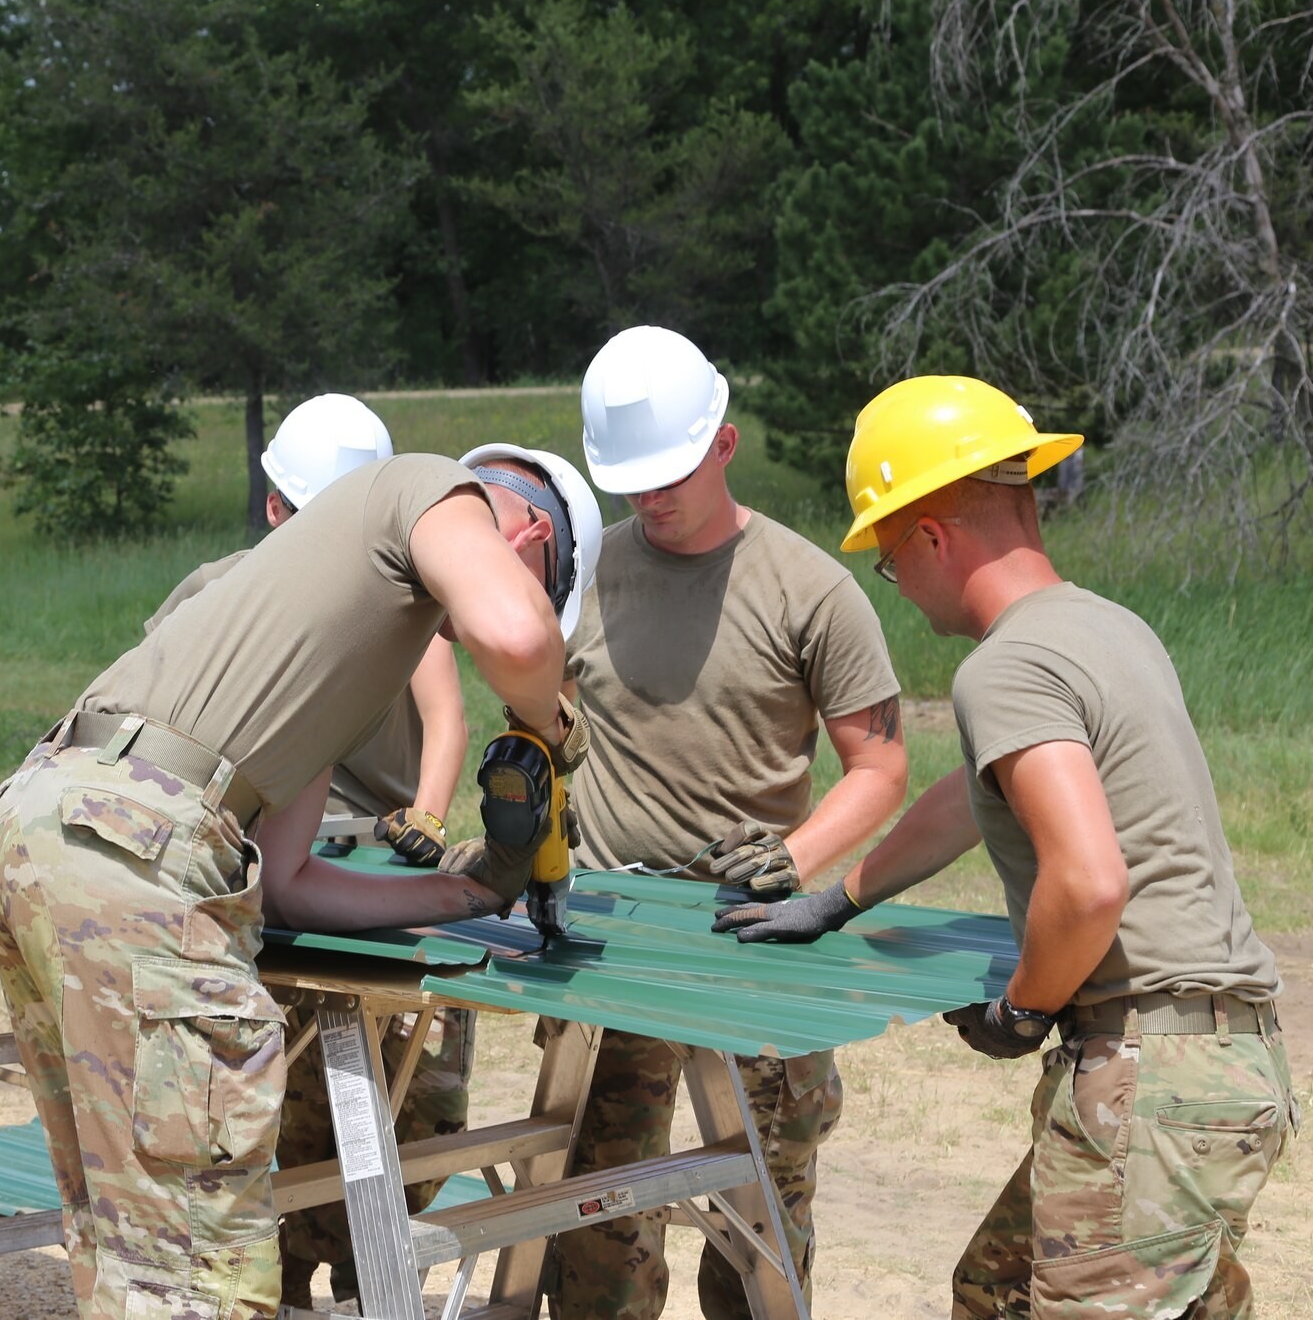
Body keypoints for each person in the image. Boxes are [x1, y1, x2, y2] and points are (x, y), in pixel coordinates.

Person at [0, 442, 603, 1317]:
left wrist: (470, 893)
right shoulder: (435, 487)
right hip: (141, 848)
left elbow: (288, 883)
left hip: (46, 824)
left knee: (131, 1245)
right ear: (530, 534)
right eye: (540, 585)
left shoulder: (337, 625)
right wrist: (552, 732)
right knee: (206, 1275)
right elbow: (520, 635)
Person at [716, 374, 1296, 1318]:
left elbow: (1089, 880)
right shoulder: (1105, 626)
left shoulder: (1007, 665)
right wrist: (839, 896)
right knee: (995, 1290)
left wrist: (1022, 1011)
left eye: (890, 563)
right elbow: (970, 796)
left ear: (931, 537)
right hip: (1220, 1062)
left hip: (1149, 1070)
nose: (900, 588)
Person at [548, 326, 909, 1319]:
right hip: (611, 939)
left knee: (762, 1203)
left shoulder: (808, 589)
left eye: (669, 474)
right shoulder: (586, 573)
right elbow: (542, 727)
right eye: (630, 481)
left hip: (749, 940)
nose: (649, 497)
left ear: (723, 444)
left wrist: (790, 858)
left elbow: (880, 766)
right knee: (598, 1202)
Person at [142, 393, 474, 1308]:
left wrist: (430, 813)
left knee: (420, 1101)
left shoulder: (399, 597)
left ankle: (370, 1267)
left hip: (380, 857)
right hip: (259, 862)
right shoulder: (217, 592)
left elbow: (447, 715)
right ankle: (284, 1276)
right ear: (274, 508)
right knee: (277, 1096)